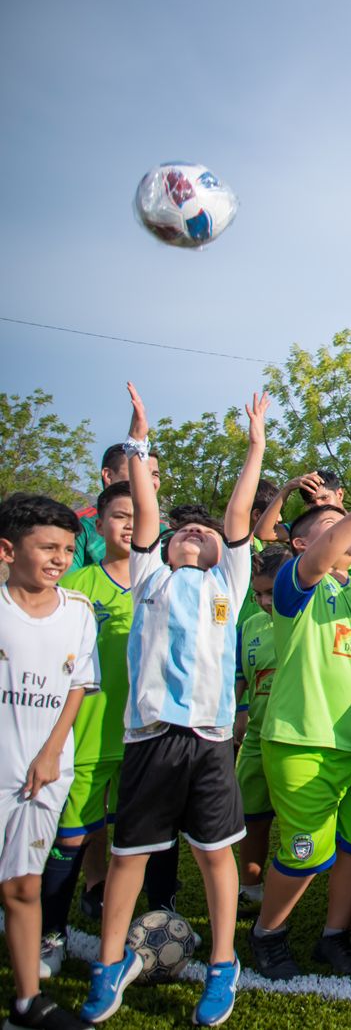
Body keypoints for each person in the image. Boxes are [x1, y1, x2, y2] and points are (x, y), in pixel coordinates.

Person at [82, 384, 267, 1027]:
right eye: (183, 529)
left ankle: (223, 964)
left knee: (214, 855)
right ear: (161, 546)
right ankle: (109, 966)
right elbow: (147, 504)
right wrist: (139, 439)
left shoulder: (229, 583)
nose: (196, 532)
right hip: (150, 737)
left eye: (206, 531)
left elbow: (240, 513)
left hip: (210, 741)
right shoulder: (151, 578)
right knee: (130, 856)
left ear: (223, 551)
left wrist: (255, 448)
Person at [248, 473, 351, 980]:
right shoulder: (295, 586)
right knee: (306, 853)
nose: (348, 536)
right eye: (335, 528)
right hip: (301, 742)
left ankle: (333, 937)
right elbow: (316, 562)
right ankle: (268, 933)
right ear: (302, 543)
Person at [1, 494, 98, 1030]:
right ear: (7, 549)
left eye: (66, 548)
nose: (59, 558)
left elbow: (77, 686)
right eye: (47, 548)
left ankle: (27, 1002)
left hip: (44, 774)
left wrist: (52, 750)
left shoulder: (78, 612)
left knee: (24, 885)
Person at [46, 486, 140, 964]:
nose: (129, 523)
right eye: (119, 515)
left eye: (138, 515)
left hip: (144, 737)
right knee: (72, 835)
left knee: (137, 836)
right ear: (98, 526)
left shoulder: (161, 580)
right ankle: (52, 933)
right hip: (87, 733)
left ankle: (133, 922)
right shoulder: (76, 585)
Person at [234, 547, 290, 910]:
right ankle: (250, 884)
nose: (264, 600)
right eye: (257, 593)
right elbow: (240, 672)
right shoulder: (251, 623)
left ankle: (289, 884)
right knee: (251, 814)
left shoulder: (304, 619)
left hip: (293, 733)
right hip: (256, 731)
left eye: (271, 591)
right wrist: (240, 710)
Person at [69, 445, 161, 573]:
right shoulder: (76, 524)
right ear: (108, 476)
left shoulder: (166, 532)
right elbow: (62, 586)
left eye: (155, 474)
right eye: (139, 471)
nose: (149, 481)